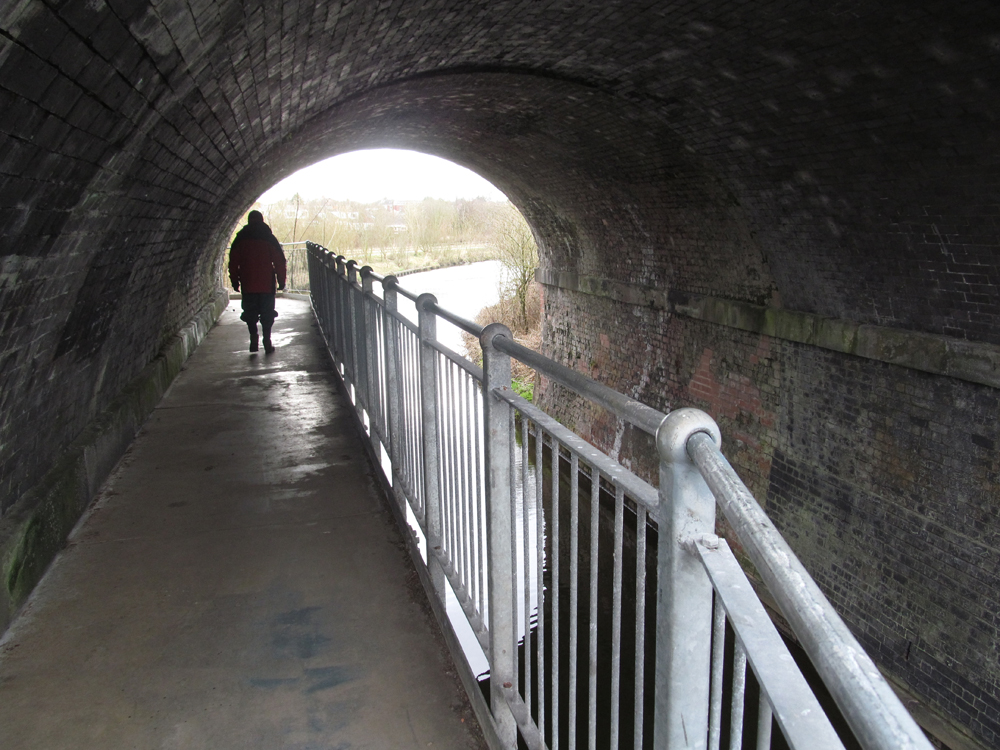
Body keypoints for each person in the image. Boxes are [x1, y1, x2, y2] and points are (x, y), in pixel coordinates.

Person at [228, 210, 287, 353]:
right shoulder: (269, 238)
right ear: (262, 220)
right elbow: (279, 261)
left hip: (248, 283)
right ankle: (267, 341)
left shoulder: (240, 238)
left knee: (250, 313)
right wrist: (281, 281)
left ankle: (253, 339)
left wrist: (235, 281)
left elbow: (233, 262)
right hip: (267, 284)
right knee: (267, 314)